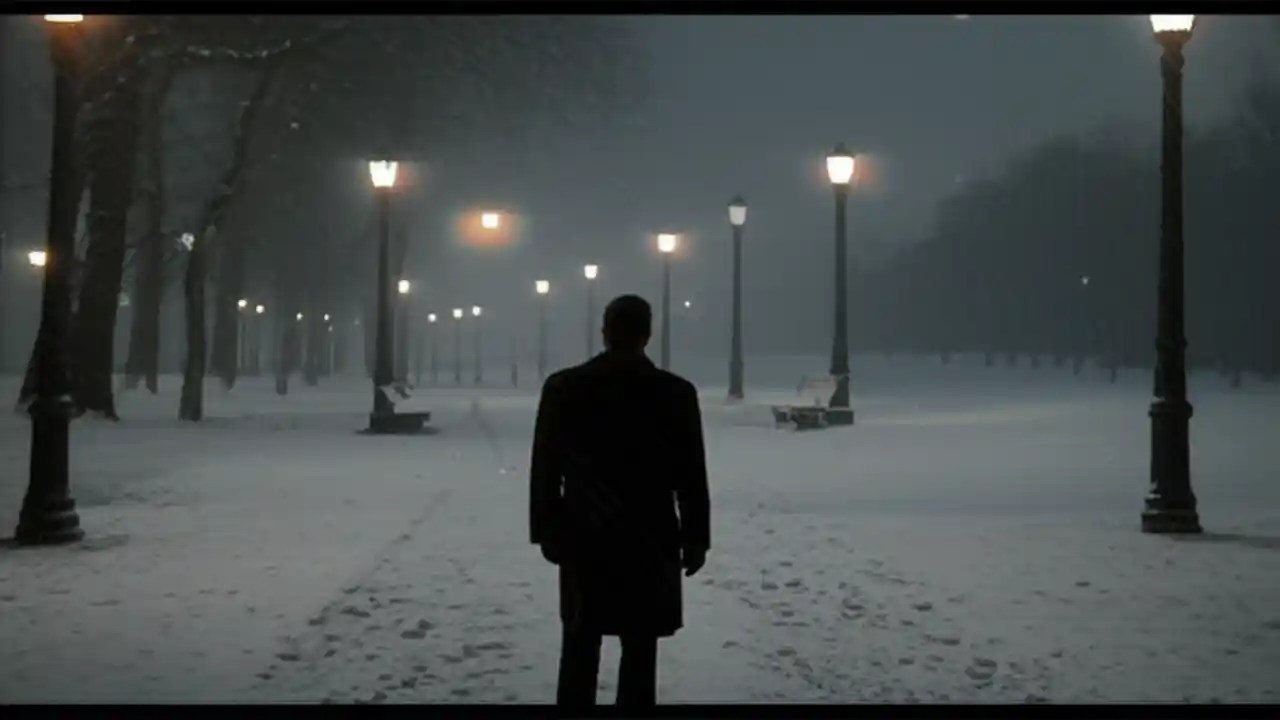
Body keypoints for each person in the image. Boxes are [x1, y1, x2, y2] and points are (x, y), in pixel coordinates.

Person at [529, 294, 711, 707]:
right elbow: (690, 473)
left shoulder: (564, 388)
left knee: (579, 644)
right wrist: (695, 536)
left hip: (585, 530)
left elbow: (546, 468)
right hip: (649, 533)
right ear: (647, 334)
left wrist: (547, 529)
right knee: (641, 651)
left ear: (605, 331)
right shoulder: (675, 393)